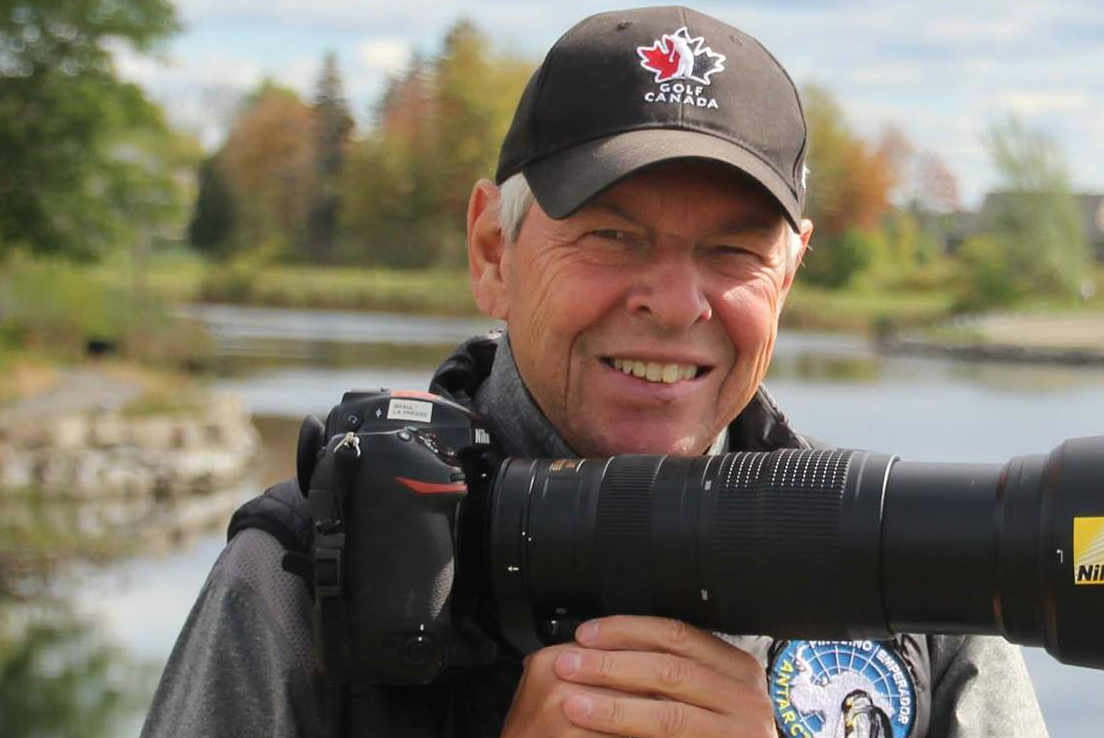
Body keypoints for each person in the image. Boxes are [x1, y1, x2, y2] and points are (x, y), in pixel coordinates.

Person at [142, 6, 1048, 738]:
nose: (675, 301)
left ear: (790, 275)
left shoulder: (918, 575)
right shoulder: (302, 577)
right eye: (613, 235)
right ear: (493, 249)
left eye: (732, 249)